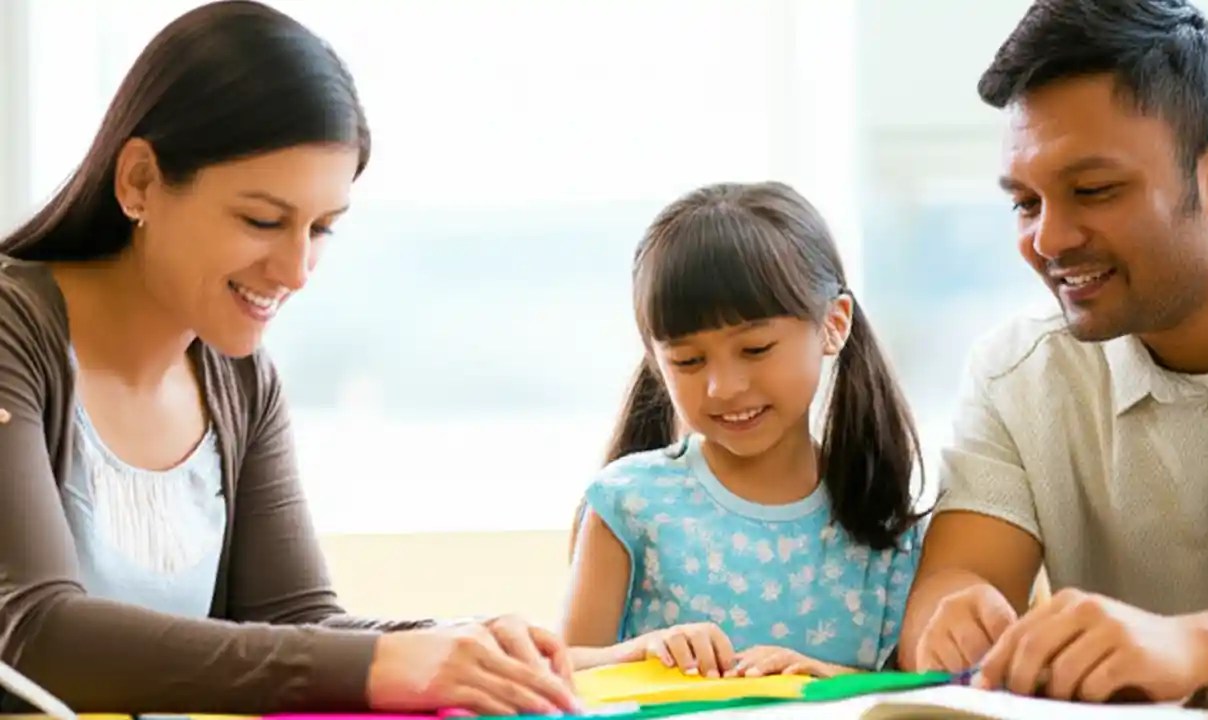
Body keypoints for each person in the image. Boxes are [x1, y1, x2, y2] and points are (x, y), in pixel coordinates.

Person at [0, 2, 578, 716]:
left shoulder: (239, 378)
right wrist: (384, 660)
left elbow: (296, 623)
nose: (298, 270)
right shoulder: (11, 334)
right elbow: (34, 635)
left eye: (323, 228)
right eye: (263, 221)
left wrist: (459, 644)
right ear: (140, 181)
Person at [900, 0, 1208, 704]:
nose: (1047, 241)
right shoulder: (1016, 376)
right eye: (1024, 202)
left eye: (1094, 190)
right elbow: (955, 581)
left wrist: (1195, 646)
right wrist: (950, 615)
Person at [562, 181, 926, 679]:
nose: (723, 387)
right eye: (688, 361)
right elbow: (561, 676)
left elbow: (924, 696)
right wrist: (644, 650)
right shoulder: (627, 503)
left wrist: (821, 677)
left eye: (755, 349)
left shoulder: (891, 531)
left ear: (834, 324)